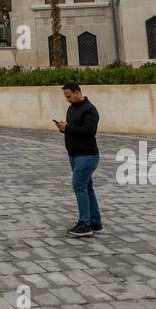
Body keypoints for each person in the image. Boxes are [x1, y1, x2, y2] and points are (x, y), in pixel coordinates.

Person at [56, 80, 102, 236]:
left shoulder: (90, 110)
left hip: (87, 156)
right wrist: (63, 128)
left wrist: (68, 127)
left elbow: (89, 131)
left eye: (69, 96)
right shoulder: (71, 109)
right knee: (87, 188)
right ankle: (95, 222)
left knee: (79, 186)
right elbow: (74, 129)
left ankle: (85, 224)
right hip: (74, 155)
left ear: (77, 92)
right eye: (66, 97)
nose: (67, 99)